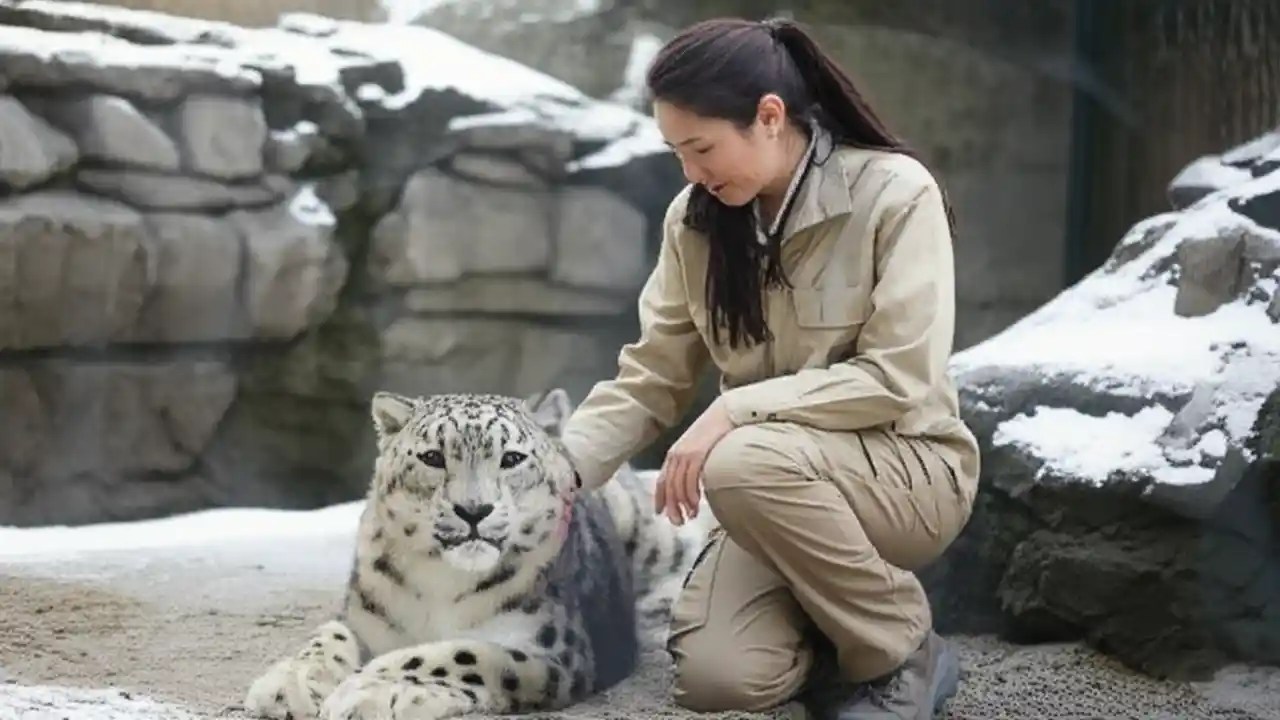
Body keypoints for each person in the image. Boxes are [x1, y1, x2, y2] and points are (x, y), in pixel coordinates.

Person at [557, 15, 980, 720]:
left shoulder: (895, 193)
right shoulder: (695, 222)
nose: (691, 172)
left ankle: (903, 651)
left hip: (909, 473)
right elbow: (651, 376)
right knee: (720, 681)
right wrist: (556, 478)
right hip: (774, 490)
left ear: (770, 117)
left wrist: (732, 410)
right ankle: (840, 623)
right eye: (676, 153)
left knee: (740, 461)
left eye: (702, 148)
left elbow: (897, 377)